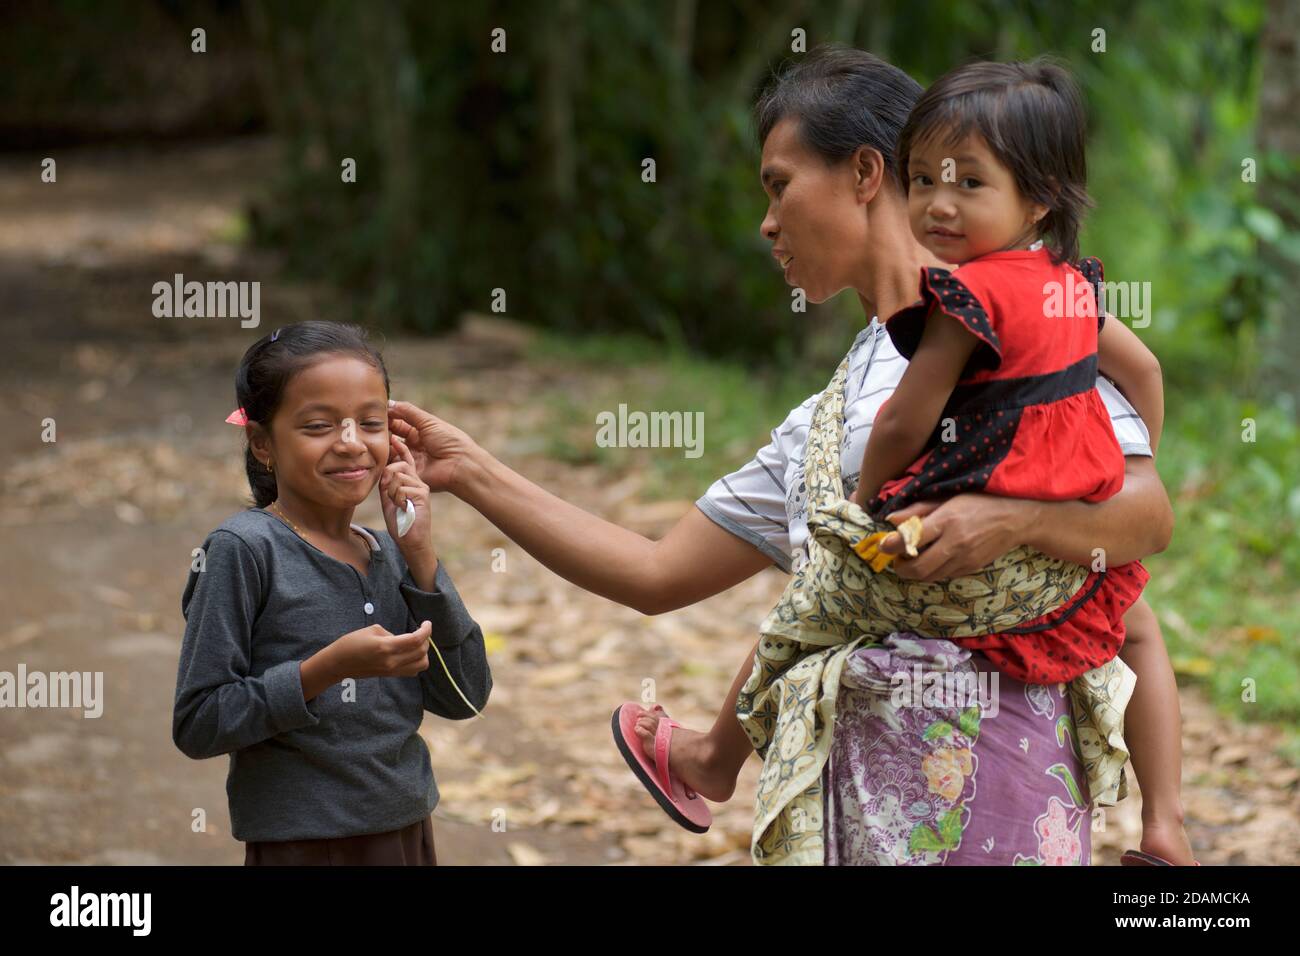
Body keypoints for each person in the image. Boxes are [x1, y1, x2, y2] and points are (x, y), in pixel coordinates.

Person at [389, 46, 1186, 864]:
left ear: (868, 173)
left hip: (997, 791)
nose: (767, 222)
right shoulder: (828, 417)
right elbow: (656, 574)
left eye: (779, 184)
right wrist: (470, 471)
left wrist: (1011, 520)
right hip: (862, 806)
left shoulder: (1023, 329)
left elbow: (1144, 516)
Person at [172, 320, 492, 866]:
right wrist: (324, 670)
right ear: (262, 442)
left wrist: (421, 558)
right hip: (300, 844)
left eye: (370, 422)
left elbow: (465, 697)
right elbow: (199, 722)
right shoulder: (243, 550)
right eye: (318, 425)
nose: (350, 443)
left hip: (404, 832)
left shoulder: (392, 553)